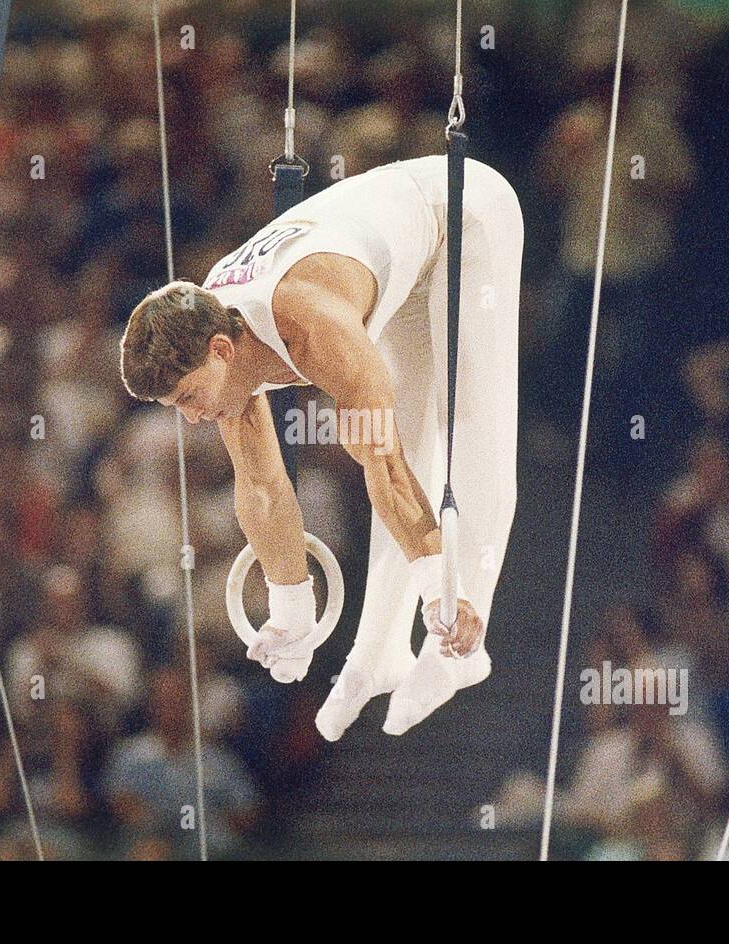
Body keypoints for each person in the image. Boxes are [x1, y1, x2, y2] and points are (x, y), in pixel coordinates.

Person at [120, 154, 522, 738]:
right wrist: (290, 615)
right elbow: (262, 487)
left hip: (463, 213)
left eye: (187, 397)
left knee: (462, 430)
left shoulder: (312, 328)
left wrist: (440, 585)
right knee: (402, 441)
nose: (193, 419)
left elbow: (384, 471)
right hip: (391, 256)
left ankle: (458, 644)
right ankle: (376, 655)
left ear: (222, 350)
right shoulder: (219, 347)